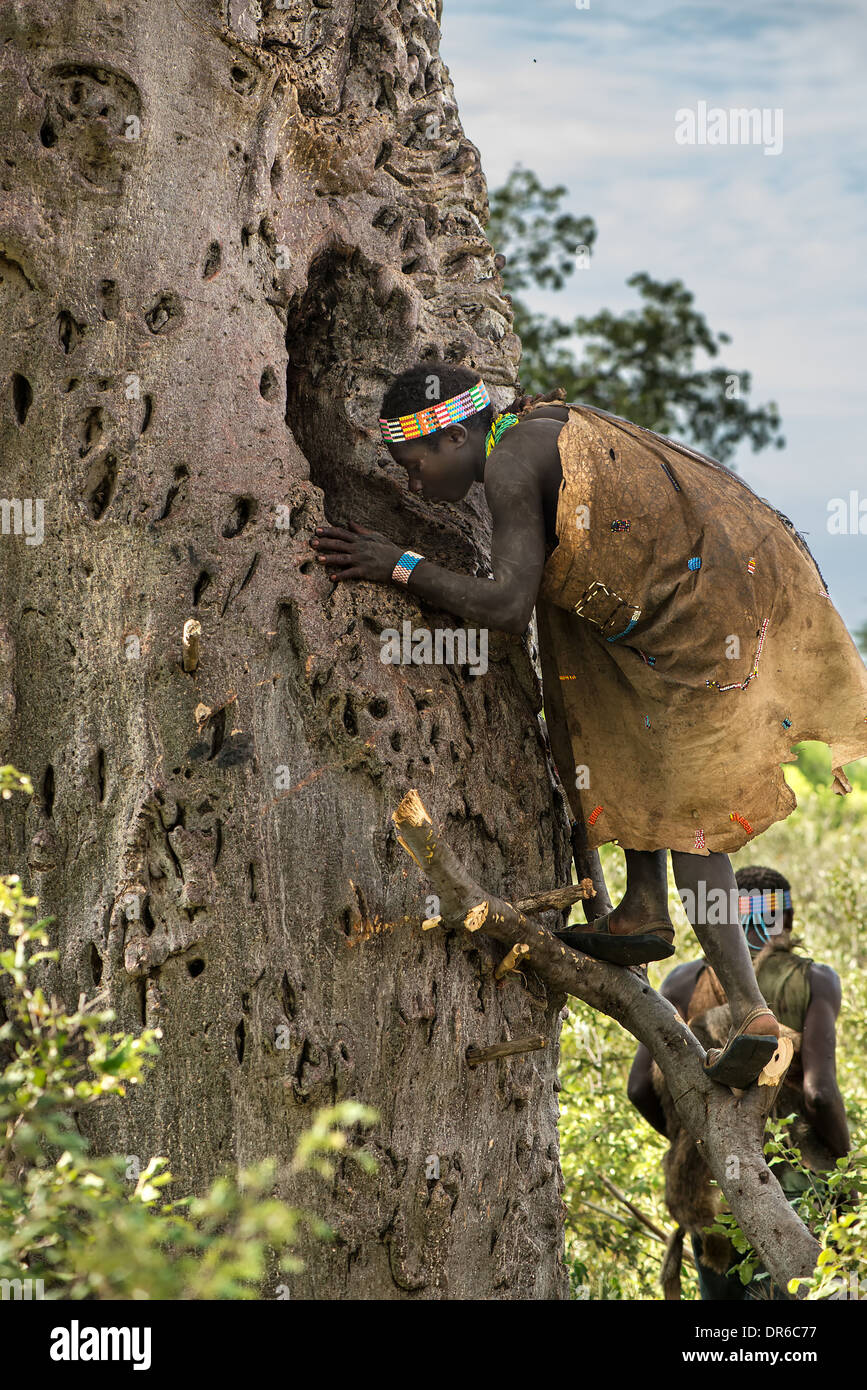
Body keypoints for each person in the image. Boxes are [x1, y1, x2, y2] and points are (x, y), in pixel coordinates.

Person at [309, 362, 867, 1088]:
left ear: (452, 435)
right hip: (704, 596)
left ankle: (752, 1009)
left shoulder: (510, 466)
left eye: (415, 466)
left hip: (701, 623)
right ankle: (640, 910)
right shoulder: (538, 429)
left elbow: (508, 605)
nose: (414, 485)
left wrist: (398, 565)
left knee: (690, 815)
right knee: (605, 703)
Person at [627, 864, 850, 1299]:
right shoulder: (813, 979)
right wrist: (848, 1175)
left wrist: (701, 1136)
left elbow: (639, 1088)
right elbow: (819, 1094)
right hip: (792, 1189)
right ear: (786, 918)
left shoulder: (682, 981)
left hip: (709, 1195)